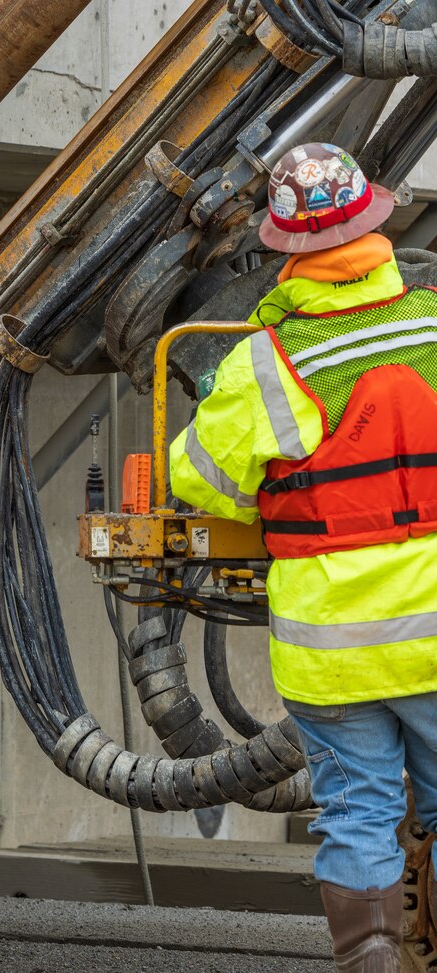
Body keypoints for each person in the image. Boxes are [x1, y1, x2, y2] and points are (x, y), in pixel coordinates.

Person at [170, 142, 437, 972]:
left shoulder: (263, 360)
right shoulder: (432, 326)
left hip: (330, 647)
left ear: (283, 248)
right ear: (375, 222)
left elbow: (203, 478)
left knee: (356, 814)